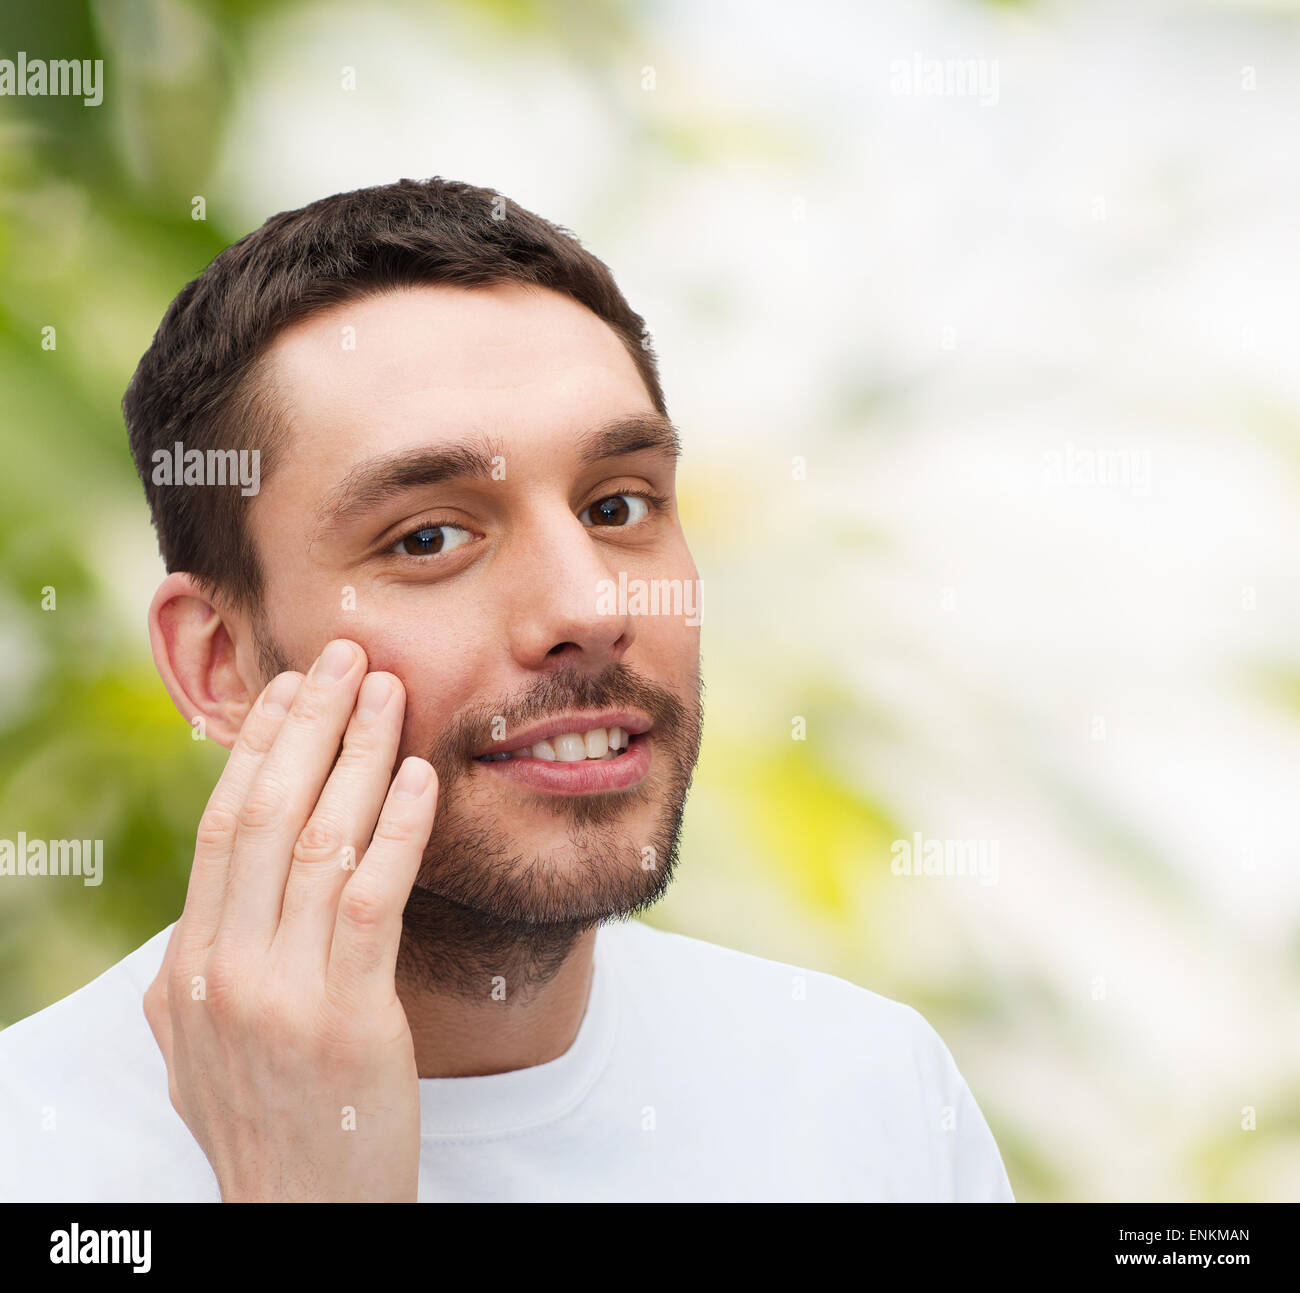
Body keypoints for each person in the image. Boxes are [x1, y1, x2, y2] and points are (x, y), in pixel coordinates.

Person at [0, 177, 1014, 1202]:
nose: (588, 603)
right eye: (430, 538)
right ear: (218, 666)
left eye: (617, 505)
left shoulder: (869, 1096)